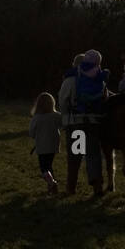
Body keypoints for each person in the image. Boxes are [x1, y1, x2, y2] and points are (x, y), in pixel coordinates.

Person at [58, 50, 108, 196]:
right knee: (93, 154)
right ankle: (97, 186)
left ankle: (71, 188)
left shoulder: (71, 79)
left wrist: (66, 120)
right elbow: (104, 99)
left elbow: (63, 100)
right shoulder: (100, 79)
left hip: (77, 124)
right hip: (93, 123)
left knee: (75, 155)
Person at [29, 92, 62, 195]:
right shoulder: (56, 116)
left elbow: (31, 133)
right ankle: (51, 188)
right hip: (53, 146)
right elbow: (63, 125)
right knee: (49, 166)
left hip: (42, 147)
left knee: (44, 168)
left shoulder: (37, 118)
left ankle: (52, 183)